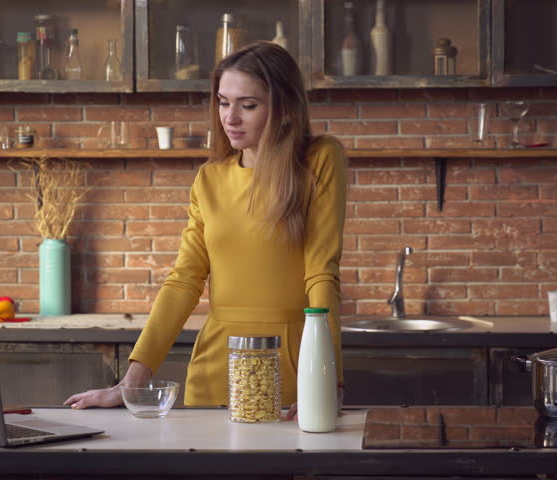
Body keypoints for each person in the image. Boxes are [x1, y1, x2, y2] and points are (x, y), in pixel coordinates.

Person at [64, 41, 347, 415]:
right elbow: (184, 280)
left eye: (248, 105)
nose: (230, 118)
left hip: (293, 362)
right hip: (216, 363)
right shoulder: (209, 179)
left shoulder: (321, 159)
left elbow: (321, 273)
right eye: (223, 102)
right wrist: (129, 383)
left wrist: (328, 376)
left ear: (286, 110)